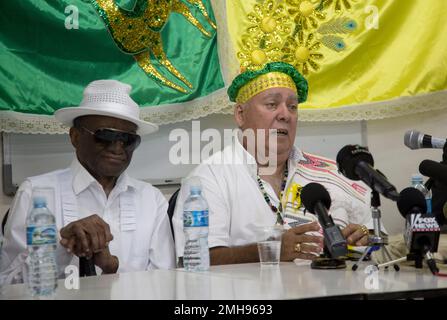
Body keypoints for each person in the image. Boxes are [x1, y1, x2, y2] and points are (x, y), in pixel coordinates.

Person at [172, 62, 379, 265]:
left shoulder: (330, 172)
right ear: (240, 114)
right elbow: (196, 259)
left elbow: (379, 239)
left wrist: (364, 235)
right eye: (272, 104)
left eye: (292, 107)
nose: (285, 115)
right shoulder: (210, 177)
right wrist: (271, 249)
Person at [0, 80, 175, 283]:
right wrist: (61, 245)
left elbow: (166, 283)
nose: (118, 148)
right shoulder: (35, 193)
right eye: (106, 135)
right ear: (75, 137)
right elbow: (7, 283)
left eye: (128, 139)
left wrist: (112, 267)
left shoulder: (151, 199)